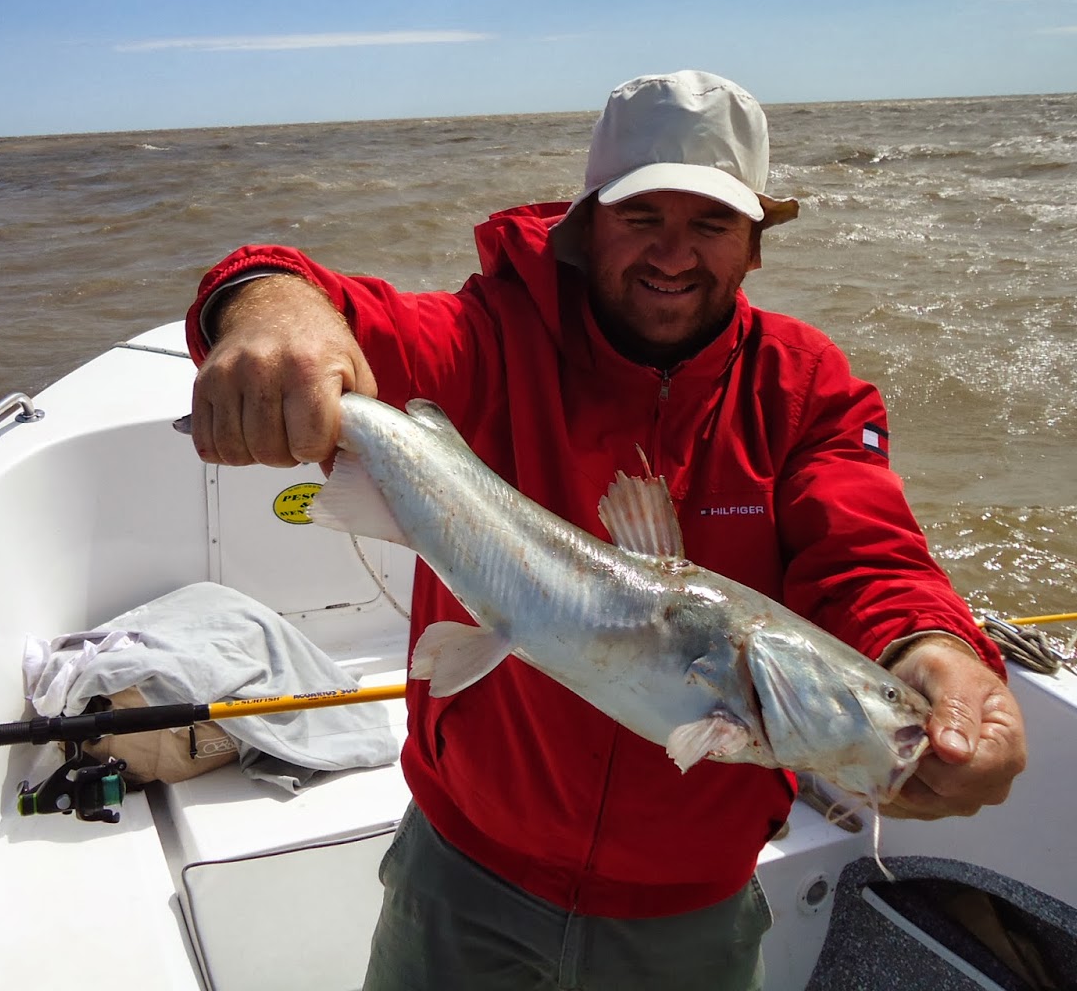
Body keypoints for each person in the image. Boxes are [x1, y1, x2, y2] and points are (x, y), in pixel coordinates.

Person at [185, 70, 1027, 990]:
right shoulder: (491, 338)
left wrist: (933, 651)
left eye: (710, 224)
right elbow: (306, 297)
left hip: (688, 909)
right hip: (465, 867)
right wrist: (272, 313)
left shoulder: (805, 387)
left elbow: (866, 554)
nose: (674, 253)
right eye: (642, 218)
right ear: (586, 227)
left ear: (754, 245)